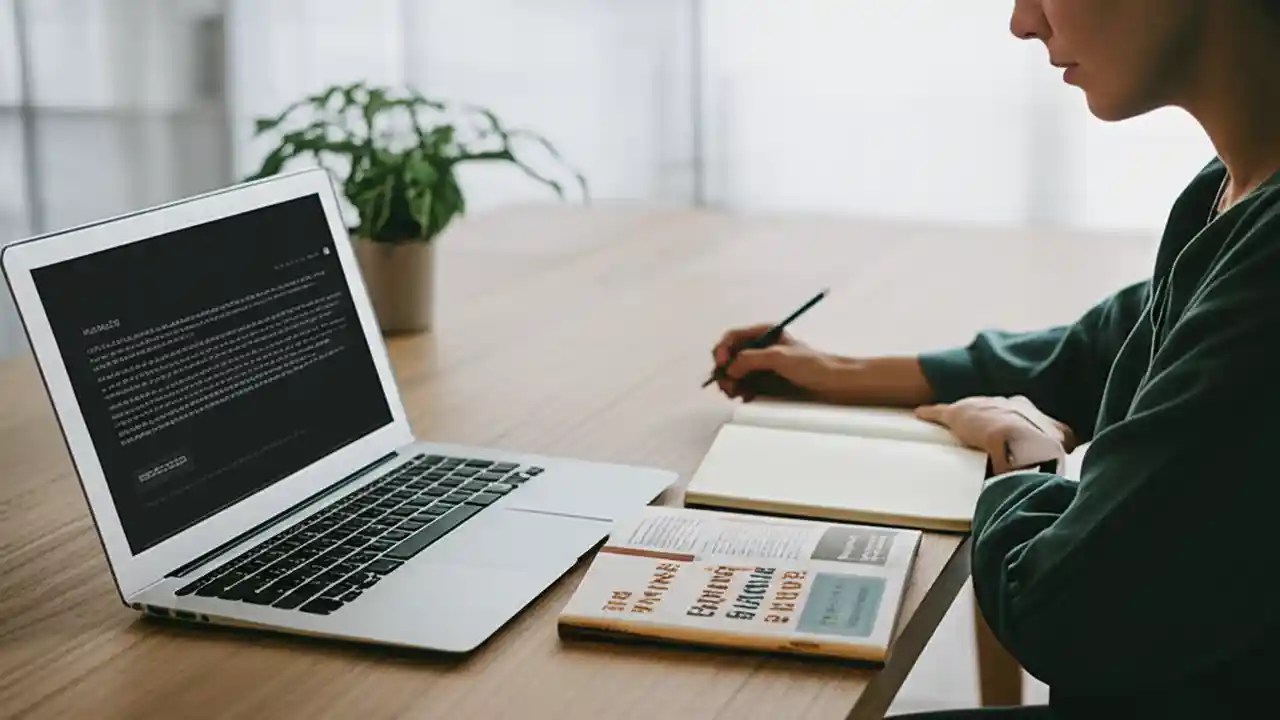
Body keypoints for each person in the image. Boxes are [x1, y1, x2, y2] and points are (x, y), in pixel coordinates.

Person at [710, 1, 1280, 718]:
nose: (1022, 21)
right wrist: (839, 373)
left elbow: (1059, 608)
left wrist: (1026, 456)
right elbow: (1101, 350)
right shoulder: (1230, 188)